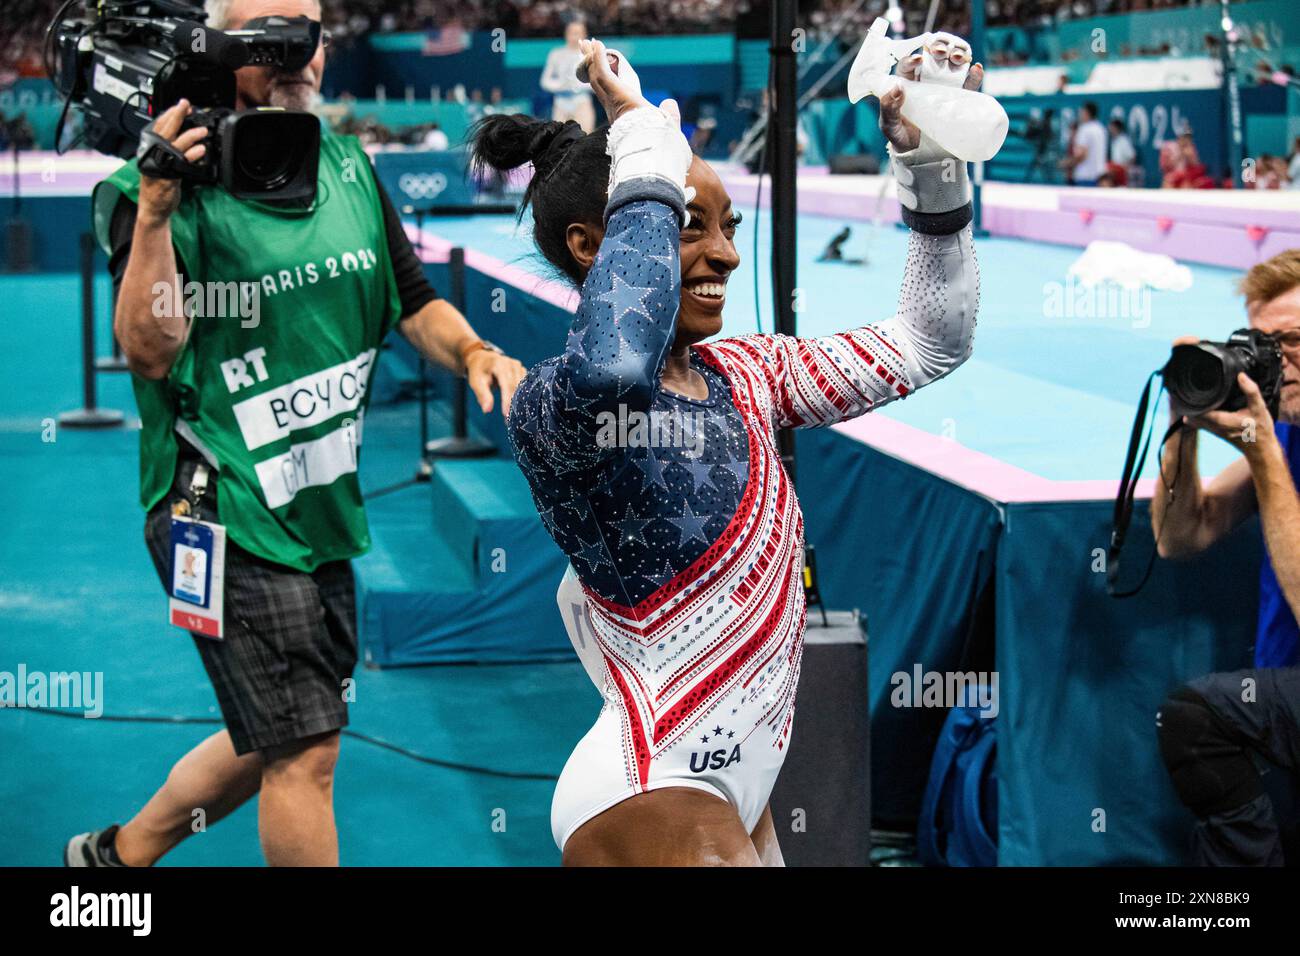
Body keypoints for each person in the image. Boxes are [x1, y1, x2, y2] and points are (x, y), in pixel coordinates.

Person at [474, 36, 981, 865]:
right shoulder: (554, 403)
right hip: (648, 782)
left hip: (743, 794)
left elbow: (932, 341)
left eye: (729, 226)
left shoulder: (752, 376)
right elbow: (616, 359)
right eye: (687, 226)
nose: (728, 253)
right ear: (593, 246)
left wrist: (933, 174)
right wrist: (639, 136)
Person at [64, 0, 526, 868]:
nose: (295, 53)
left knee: (279, 727)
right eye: (265, 33)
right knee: (306, 749)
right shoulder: (154, 191)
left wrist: (472, 350)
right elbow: (151, 352)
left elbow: (411, 297)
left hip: (316, 505)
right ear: (212, 52)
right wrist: (161, 209)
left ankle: (118, 857)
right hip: (216, 501)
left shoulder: (349, 165)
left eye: (308, 32)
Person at [1152, 249, 1300, 866]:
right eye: (1260, 345)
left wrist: (1263, 451)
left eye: (1291, 341)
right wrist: (1181, 425)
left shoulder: (1277, 443)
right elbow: (1181, 536)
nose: (1276, 363)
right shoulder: (1290, 431)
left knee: (1197, 716)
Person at [540, 20, 596, 133]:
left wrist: (580, 85)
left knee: (585, 136)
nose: (575, 36)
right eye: (572, 33)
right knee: (559, 140)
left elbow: (597, 80)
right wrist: (561, 86)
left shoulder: (590, 54)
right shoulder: (556, 54)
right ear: (566, 34)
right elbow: (545, 81)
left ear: (584, 34)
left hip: (582, 101)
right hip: (560, 103)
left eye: (578, 33)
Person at [1064, 101, 1107, 186]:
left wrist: (1066, 163)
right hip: (1099, 176)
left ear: (1086, 112)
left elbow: (1081, 155)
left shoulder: (1085, 129)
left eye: (1081, 112)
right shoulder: (1101, 129)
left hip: (1085, 176)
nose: (1080, 114)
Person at [1107, 116, 1136, 186]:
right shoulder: (1114, 141)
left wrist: (1125, 168)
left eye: (1111, 127)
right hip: (1114, 172)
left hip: (1121, 172)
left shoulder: (1124, 140)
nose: (1109, 129)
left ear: (1116, 128)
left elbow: (1132, 156)